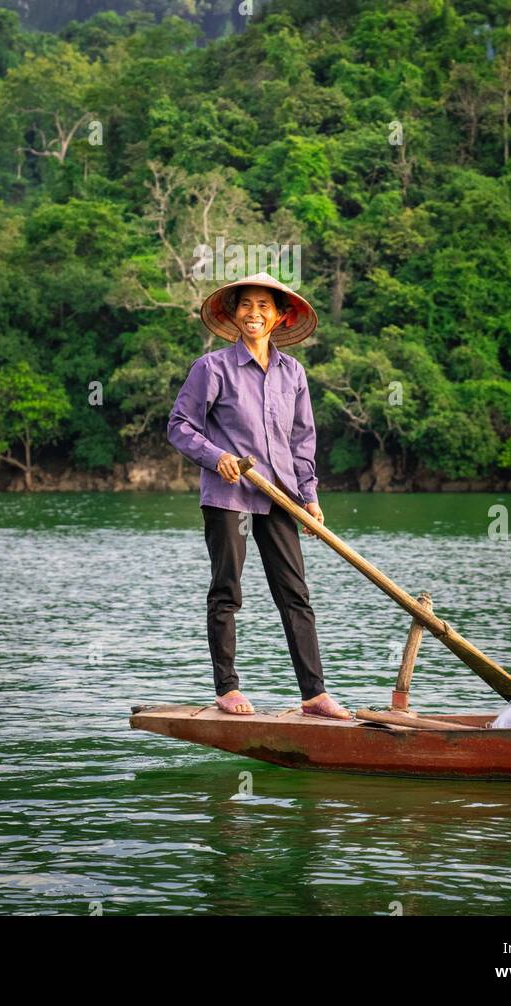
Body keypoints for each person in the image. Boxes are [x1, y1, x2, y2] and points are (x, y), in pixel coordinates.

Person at [167, 271, 352, 720]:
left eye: (263, 307)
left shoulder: (293, 373)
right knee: (227, 590)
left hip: (280, 497)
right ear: (234, 315)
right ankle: (227, 689)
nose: (254, 313)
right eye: (246, 305)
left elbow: (302, 441)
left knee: (295, 594)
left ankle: (314, 695)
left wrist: (309, 498)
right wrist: (216, 457)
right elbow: (179, 426)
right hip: (229, 495)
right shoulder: (212, 368)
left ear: (279, 317)